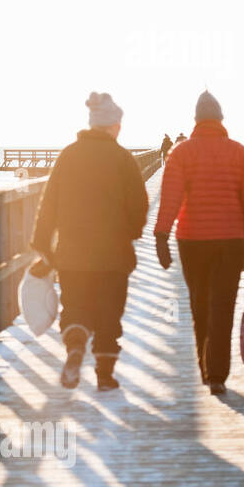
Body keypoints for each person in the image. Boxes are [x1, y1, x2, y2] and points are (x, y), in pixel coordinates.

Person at [30, 92, 148, 391]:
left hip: (72, 254)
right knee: (109, 314)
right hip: (113, 255)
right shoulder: (123, 158)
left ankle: (74, 347)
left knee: (76, 307)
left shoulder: (68, 155)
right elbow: (139, 205)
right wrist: (133, 230)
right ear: (113, 126)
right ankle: (105, 376)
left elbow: (49, 203)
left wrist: (43, 243)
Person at [153, 91, 244, 396]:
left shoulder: (181, 153)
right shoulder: (240, 153)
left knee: (200, 303)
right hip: (230, 242)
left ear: (197, 119)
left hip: (192, 241)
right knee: (222, 306)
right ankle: (217, 375)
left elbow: (170, 198)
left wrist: (161, 236)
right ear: (221, 119)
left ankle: (206, 367)